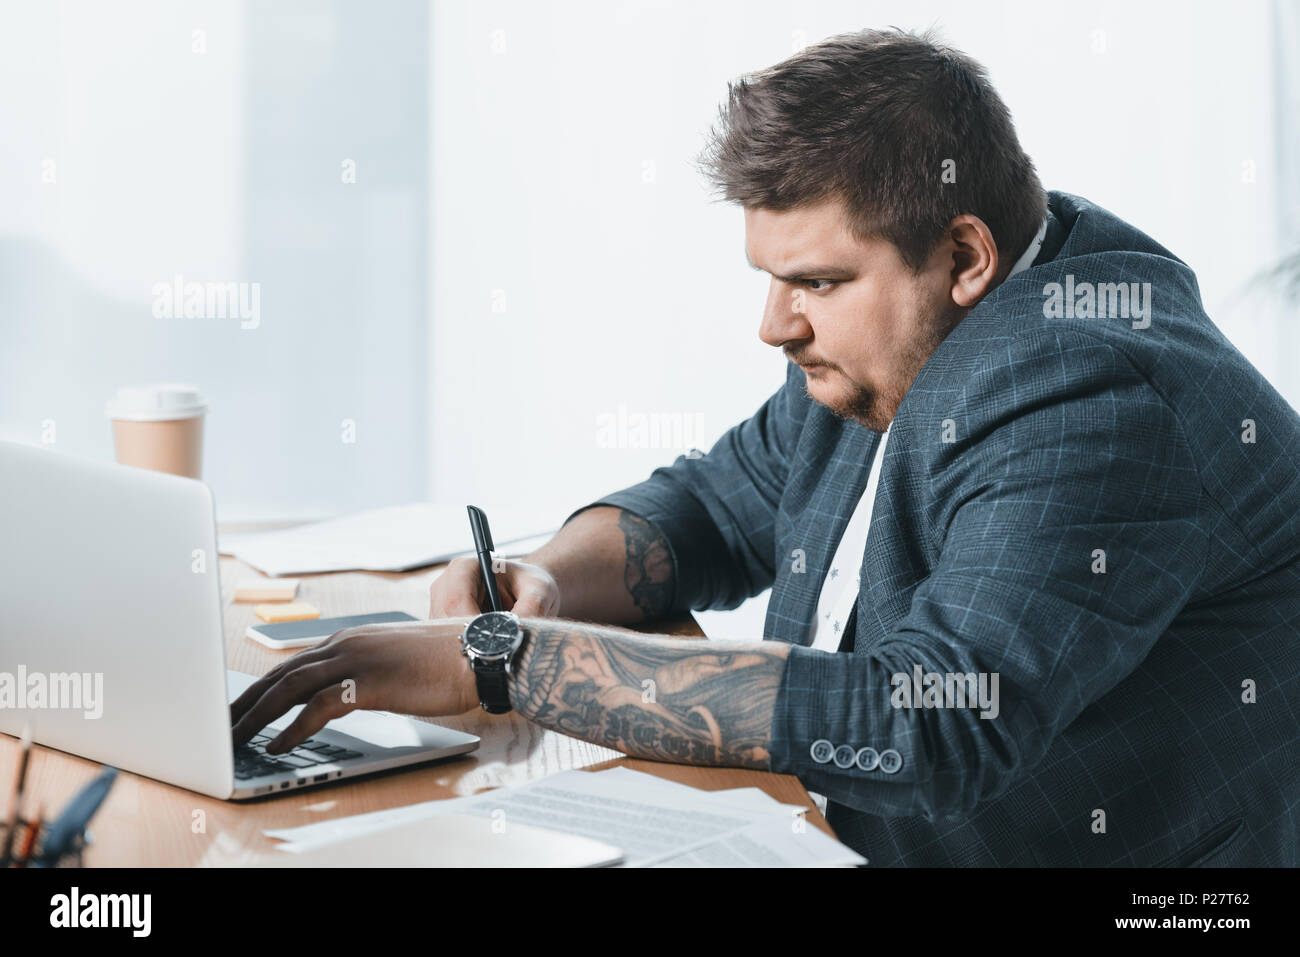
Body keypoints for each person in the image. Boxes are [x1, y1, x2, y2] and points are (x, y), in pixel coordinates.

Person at [231, 27, 1300, 866]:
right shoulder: (921, 326)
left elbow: (927, 722)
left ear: (963, 254)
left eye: (817, 282)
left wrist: (504, 664)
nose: (775, 326)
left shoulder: (1094, 399)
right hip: (806, 828)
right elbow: (718, 499)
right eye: (770, 278)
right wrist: (547, 577)